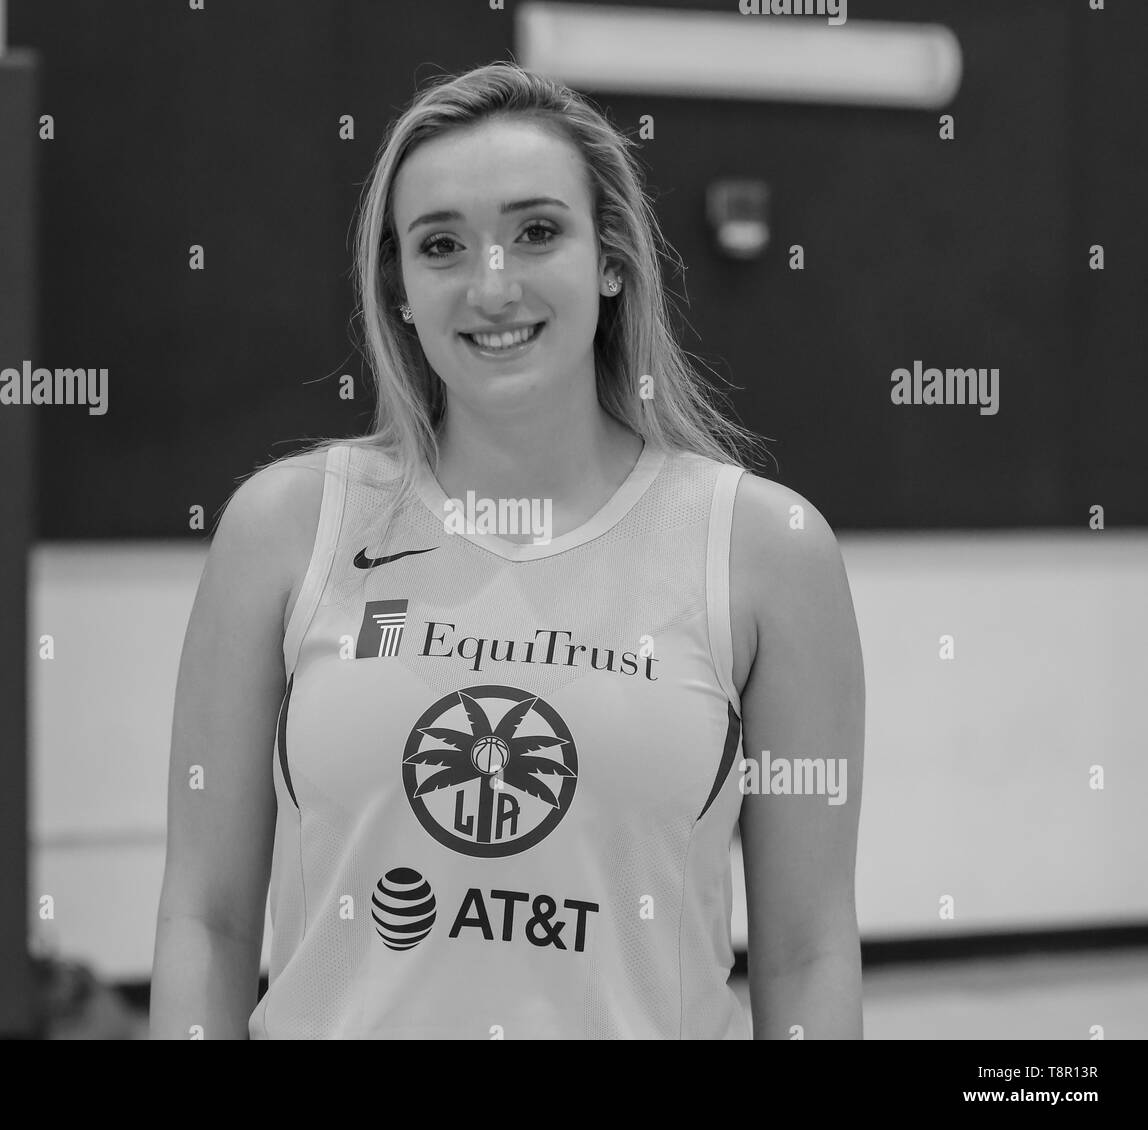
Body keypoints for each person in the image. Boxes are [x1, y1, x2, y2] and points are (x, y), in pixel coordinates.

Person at [150, 60, 864, 1039]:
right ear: (398, 287)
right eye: (442, 245)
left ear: (609, 258)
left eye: (536, 231)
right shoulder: (284, 527)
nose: (493, 284)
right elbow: (207, 916)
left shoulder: (764, 549)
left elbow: (807, 947)